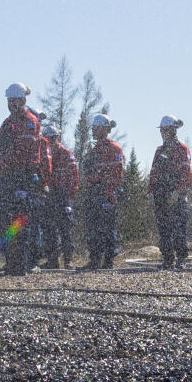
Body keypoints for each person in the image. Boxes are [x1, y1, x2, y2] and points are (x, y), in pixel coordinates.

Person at [0, 85, 47, 276]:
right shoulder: (7, 123)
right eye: (9, 101)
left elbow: (23, 152)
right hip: (7, 176)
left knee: (20, 222)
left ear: (23, 101)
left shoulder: (30, 122)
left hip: (23, 176)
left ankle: (20, 264)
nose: (11, 104)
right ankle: (11, 260)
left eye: (15, 100)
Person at [147, 117, 192, 270]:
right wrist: (151, 192)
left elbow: (185, 173)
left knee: (179, 229)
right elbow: (153, 173)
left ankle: (181, 259)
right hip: (161, 194)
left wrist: (178, 191)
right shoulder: (159, 151)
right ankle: (167, 259)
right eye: (161, 130)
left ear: (173, 130)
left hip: (177, 196)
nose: (162, 133)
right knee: (164, 229)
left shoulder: (182, 149)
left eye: (165, 130)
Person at [83, 114, 126, 269]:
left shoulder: (114, 149)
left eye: (96, 128)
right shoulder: (95, 150)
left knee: (107, 227)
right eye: (93, 128)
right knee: (93, 227)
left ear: (104, 129)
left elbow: (116, 174)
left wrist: (109, 191)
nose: (93, 130)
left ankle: (108, 260)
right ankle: (94, 259)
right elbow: (89, 171)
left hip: (107, 193)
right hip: (94, 192)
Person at [38, 125, 78, 269]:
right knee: (49, 228)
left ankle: (68, 260)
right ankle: (52, 260)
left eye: (53, 139)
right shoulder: (42, 155)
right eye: (48, 139)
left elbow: (74, 176)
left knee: (65, 228)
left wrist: (69, 195)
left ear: (58, 138)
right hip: (49, 194)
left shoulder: (67, 154)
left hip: (63, 194)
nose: (51, 142)